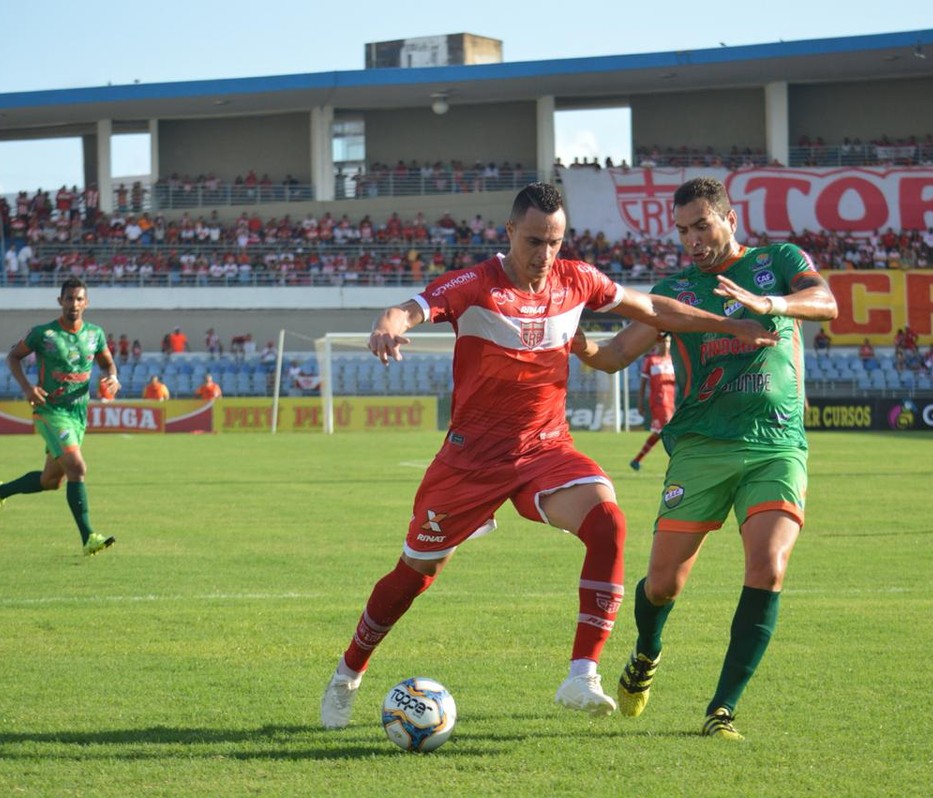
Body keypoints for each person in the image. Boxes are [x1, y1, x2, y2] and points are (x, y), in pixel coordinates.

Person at [319, 182, 779, 731]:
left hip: (546, 449)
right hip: (471, 462)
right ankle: (348, 673)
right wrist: (387, 326)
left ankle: (582, 674)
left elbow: (653, 308)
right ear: (511, 232)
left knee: (607, 520)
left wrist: (729, 324)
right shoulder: (475, 285)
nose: (545, 253)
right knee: (416, 573)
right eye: (534, 241)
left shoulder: (577, 279)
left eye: (555, 242)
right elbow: (409, 309)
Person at [572, 176, 838, 740]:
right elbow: (614, 355)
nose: (692, 239)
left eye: (702, 226)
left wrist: (770, 304)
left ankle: (722, 709)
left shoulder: (778, 262)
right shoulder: (676, 291)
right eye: (683, 230)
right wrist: (569, 337)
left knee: (768, 568)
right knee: (662, 586)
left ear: (729, 219)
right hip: (700, 447)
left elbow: (826, 303)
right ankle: (647, 652)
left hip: (775, 444)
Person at [0, 277, 120, 556]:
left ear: (86, 303)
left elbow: (107, 363)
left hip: (77, 414)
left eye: (79, 299)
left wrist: (113, 377)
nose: (74, 304)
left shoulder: (95, 334)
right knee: (77, 468)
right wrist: (27, 388)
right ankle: (89, 538)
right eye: (69, 298)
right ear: (60, 301)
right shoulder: (43, 334)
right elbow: (13, 357)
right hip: (50, 411)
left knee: (51, 481)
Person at [630, 334, 676, 472]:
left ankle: (637, 460)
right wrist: (640, 403)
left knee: (659, 432)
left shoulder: (673, 360)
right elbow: (643, 383)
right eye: (663, 341)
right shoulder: (651, 360)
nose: (665, 344)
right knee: (670, 430)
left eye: (668, 341)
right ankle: (677, 462)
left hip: (672, 401)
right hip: (658, 402)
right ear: (657, 343)